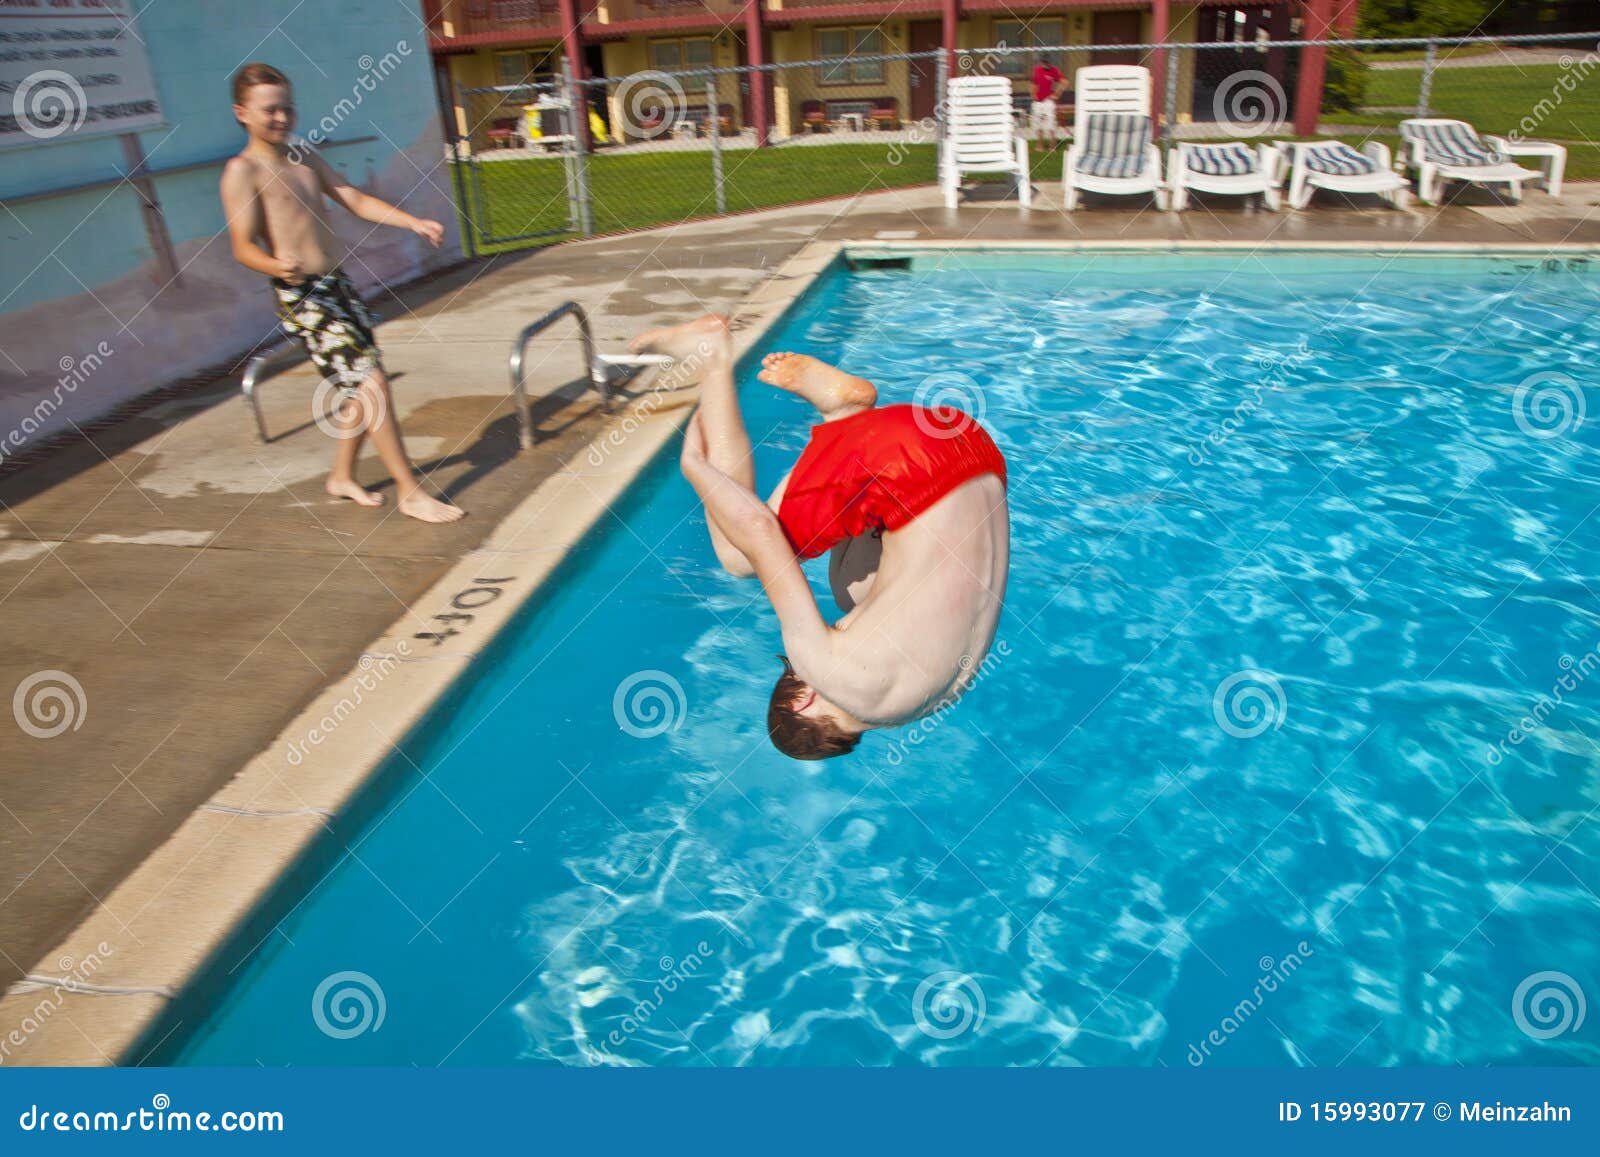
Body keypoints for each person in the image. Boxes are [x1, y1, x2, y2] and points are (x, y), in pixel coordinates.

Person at [630, 316, 1010, 761]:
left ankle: (844, 413)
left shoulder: (936, 698)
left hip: (972, 448)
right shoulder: (830, 675)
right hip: (909, 464)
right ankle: (711, 356)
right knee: (737, 557)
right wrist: (697, 467)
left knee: (854, 592)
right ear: (802, 701)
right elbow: (758, 530)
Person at [220, 62, 464, 523]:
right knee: (371, 383)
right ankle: (410, 492)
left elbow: (352, 197)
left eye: (287, 108)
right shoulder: (242, 171)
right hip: (304, 298)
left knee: (360, 386)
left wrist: (411, 221)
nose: (281, 118)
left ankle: (341, 476)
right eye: (269, 110)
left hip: (338, 285)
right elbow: (242, 246)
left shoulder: (301, 157)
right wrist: (276, 265)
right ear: (242, 113)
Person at [1030, 55, 1065, 147]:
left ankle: (1052, 145)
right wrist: (1033, 94)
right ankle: (1040, 145)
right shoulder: (1037, 70)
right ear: (1041, 62)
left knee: (1051, 123)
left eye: (1047, 62)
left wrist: (1056, 94)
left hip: (1048, 101)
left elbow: (1064, 82)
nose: (1045, 64)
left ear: (1050, 62)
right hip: (1037, 101)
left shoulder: (1054, 70)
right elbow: (1034, 83)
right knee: (1038, 123)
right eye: (1043, 62)